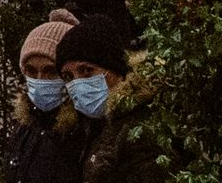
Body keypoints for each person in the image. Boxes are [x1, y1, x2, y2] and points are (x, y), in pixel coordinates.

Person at [54, 13, 157, 183]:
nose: (78, 83)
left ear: (115, 69)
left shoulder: (140, 130)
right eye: (68, 76)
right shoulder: (92, 126)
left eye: (86, 70)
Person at [10, 10, 86, 183]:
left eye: (49, 71)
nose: (39, 79)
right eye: (30, 70)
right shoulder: (26, 125)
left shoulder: (83, 130)